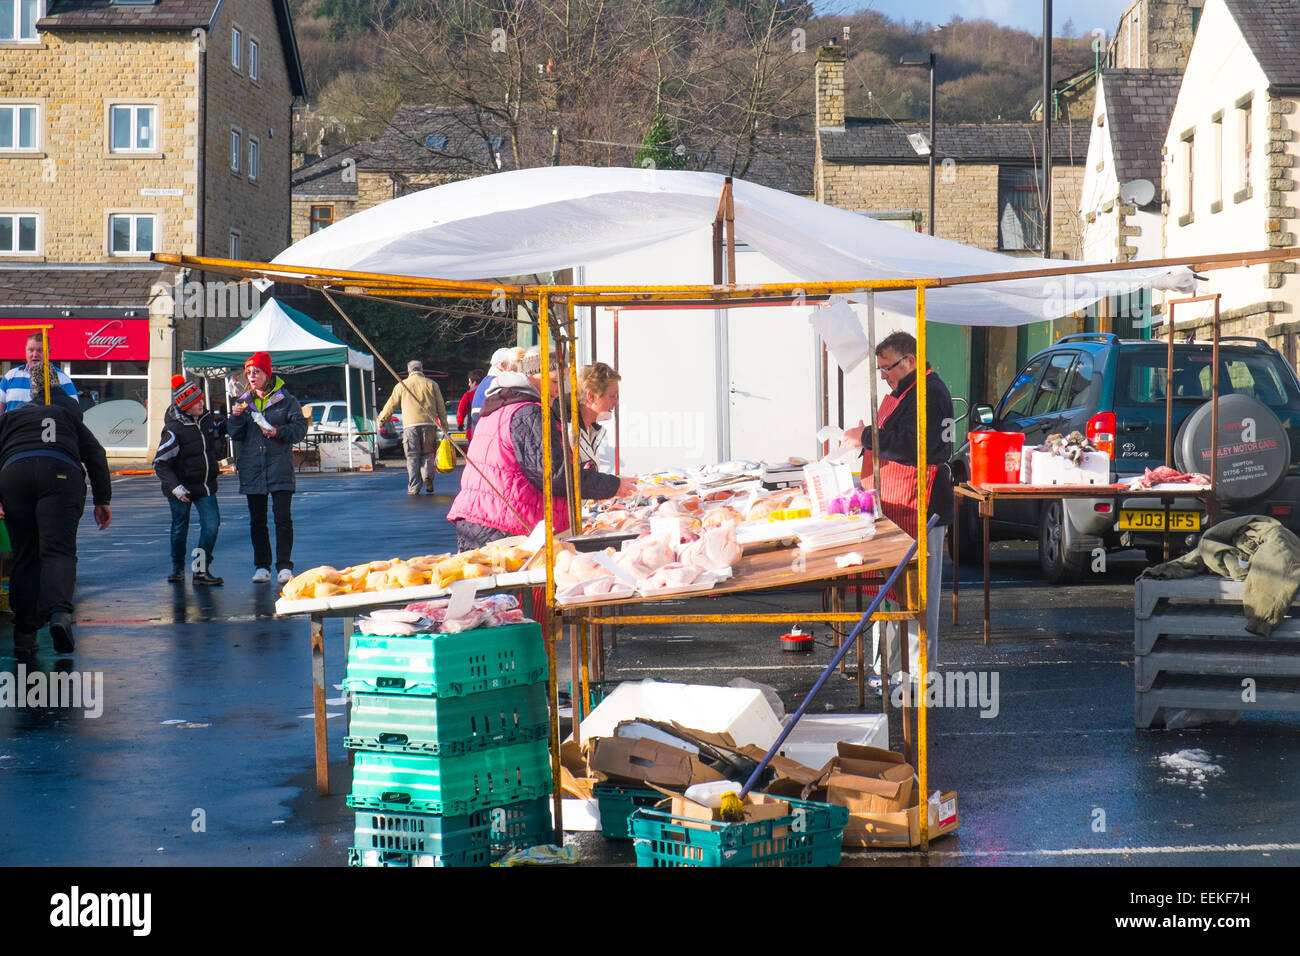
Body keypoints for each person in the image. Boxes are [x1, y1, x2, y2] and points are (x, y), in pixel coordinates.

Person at [840, 330, 954, 690]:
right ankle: (888, 672)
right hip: (894, 507)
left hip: (923, 508)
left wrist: (867, 436)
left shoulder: (931, 394)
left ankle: (921, 679)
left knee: (920, 598)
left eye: (888, 368)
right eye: (881, 370)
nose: (885, 376)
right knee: (892, 595)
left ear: (911, 361)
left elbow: (912, 446)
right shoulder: (903, 392)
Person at [447, 346, 637, 552]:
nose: (557, 390)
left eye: (560, 382)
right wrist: (612, 485)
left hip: (485, 519)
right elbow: (554, 474)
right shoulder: (527, 412)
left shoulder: (504, 405)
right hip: (501, 528)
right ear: (532, 375)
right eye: (554, 381)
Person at [0, 359, 111, 660]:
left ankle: (24, 635)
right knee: (58, 551)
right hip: (60, 474)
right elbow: (96, 454)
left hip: (15, 474)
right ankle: (60, 614)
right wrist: (103, 499)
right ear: (58, 386)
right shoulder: (68, 414)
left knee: (25, 555)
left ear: (32, 391)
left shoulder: (13, 416)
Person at [227, 351, 308, 585]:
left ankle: (284, 565)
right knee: (257, 521)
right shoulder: (243, 401)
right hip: (252, 468)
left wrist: (278, 432)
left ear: (267, 374)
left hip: (279, 466)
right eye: (249, 373)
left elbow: (300, 429)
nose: (252, 376)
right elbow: (235, 435)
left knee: (283, 518)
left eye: (257, 372)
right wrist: (236, 418)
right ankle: (261, 566)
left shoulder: (286, 400)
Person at [154, 375, 227, 586]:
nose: (202, 404)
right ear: (186, 406)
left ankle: (200, 570)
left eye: (201, 400)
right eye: (197, 402)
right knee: (180, 526)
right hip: (181, 488)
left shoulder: (206, 419)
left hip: (205, 485)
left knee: (211, 525)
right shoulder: (174, 430)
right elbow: (160, 462)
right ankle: (177, 568)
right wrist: (175, 487)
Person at [378, 360, 450, 496]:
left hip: (410, 426)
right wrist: (444, 426)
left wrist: (381, 420)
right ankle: (428, 476)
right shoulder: (432, 384)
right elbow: (441, 407)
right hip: (429, 425)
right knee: (428, 453)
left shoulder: (401, 385)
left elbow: (390, 405)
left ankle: (414, 487)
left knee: (412, 456)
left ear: (409, 371)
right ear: (422, 370)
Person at [0, 333, 78, 412]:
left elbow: (73, 412)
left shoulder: (62, 379)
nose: (35, 354)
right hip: (14, 424)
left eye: (40, 350)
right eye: (31, 350)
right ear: (25, 351)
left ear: (49, 351)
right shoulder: (10, 376)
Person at [575, 362, 620, 466]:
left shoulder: (590, 430)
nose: (616, 402)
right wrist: (617, 482)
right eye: (612, 396)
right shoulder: (568, 432)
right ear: (591, 396)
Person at [469, 346, 523, 433]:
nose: (516, 371)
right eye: (513, 366)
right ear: (503, 365)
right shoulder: (498, 383)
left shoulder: (486, 382)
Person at [457, 369, 485, 443]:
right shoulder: (489, 392)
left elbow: (461, 410)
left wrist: (460, 424)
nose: (469, 384)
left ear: (474, 382)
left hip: (472, 428)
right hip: (487, 429)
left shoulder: (468, 395)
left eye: (469, 382)